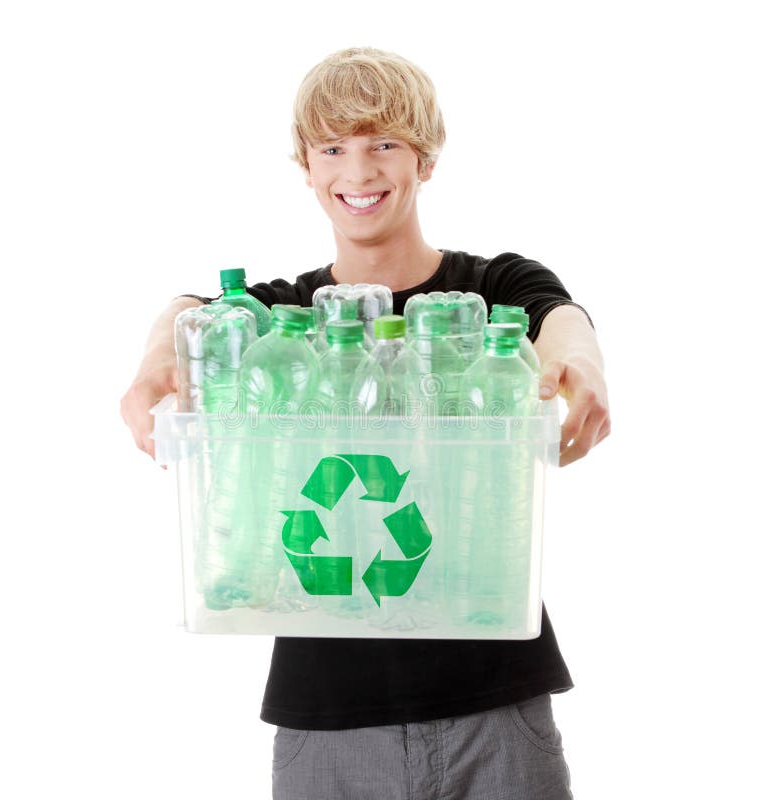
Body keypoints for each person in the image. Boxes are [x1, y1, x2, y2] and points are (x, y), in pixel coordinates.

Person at [121, 47, 610, 800]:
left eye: (385, 143)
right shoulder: (279, 323)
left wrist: (582, 366)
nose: (359, 171)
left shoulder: (490, 292)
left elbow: (562, 319)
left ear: (426, 159)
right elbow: (194, 311)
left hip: (499, 704)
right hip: (327, 722)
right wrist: (161, 353)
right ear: (306, 167)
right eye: (333, 148)